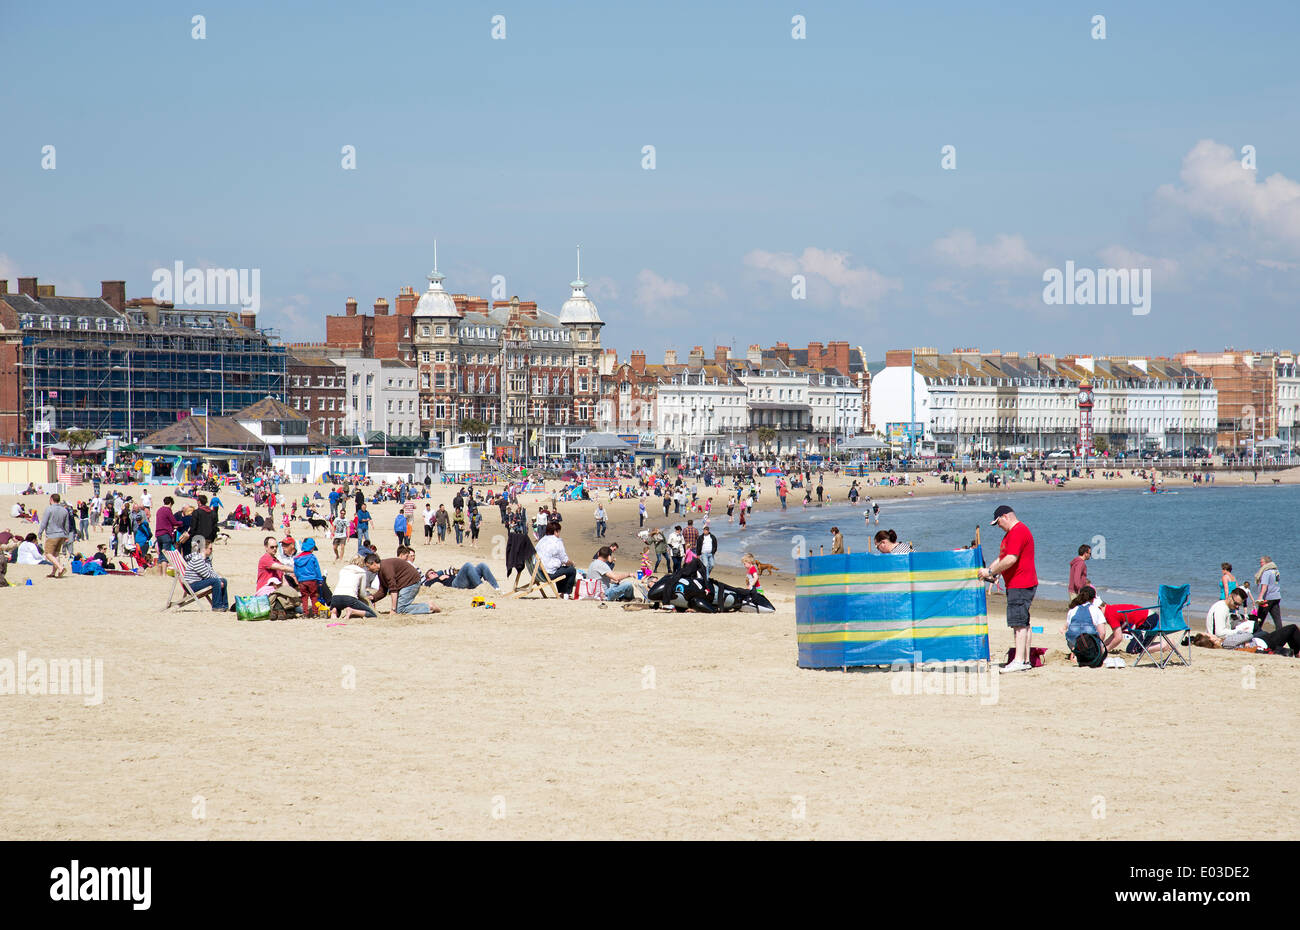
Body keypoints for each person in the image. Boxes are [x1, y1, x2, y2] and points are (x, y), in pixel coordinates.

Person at [979, 505, 1038, 673]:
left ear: (1005, 517)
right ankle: (1025, 660)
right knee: (1023, 622)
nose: (998, 526)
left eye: (998, 522)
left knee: (1018, 623)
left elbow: (1011, 558)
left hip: (1021, 583)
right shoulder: (1010, 534)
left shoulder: (1018, 531)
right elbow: (1002, 558)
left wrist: (990, 571)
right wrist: (991, 572)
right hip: (1018, 583)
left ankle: (1019, 660)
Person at [369, 548, 437, 614]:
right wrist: (373, 598)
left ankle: (429, 607)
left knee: (400, 609)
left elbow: (393, 590)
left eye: (368, 566)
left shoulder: (386, 568)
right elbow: (383, 589)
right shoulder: (381, 569)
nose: (368, 569)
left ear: (374, 564)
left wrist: (393, 609)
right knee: (400, 608)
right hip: (406, 583)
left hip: (411, 583)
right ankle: (427, 606)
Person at [1060, 586, 1122, 657]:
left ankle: (1075, 650)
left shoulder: (1072, 610)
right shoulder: (1097, 610)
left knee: (1073, 635)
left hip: (1073, 640)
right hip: (1088, 642)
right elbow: (1102, 633)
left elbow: (1069, 627)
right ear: (1093, 599)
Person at [183, 536, 230, 612]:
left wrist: (219, 579)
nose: (212, 550)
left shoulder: (206, 559)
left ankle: (224, 606)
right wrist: (218, 580)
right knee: (215, 581)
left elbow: (211, 572)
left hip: (198, 582)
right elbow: (207, 576)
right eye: (210, 548)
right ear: (204, 549)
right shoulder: (197, 559)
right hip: (191, 586)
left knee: (223, 580)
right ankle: (216, 606)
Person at [535, 521, 577, 595]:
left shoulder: (541, 540)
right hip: (548, 574)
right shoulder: (557, 542)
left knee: (560, 567)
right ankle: (566, 593)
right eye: (559, 532)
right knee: (571, 570)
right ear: (555, 532)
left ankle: (562, 592)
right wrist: (572, 563)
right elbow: (565, 560)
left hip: (538, 572)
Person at [37, 492, 73, 578]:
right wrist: (67, 535)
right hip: (62, 534)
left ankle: (60, 568)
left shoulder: (49, 509)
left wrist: (40, 532)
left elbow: (44, 522)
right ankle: (54, 573)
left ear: (51, 499)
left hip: (52, 534)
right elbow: (67, 524)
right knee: (56, 554)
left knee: (48, 553)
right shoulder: (64, 510)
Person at [293, 538, 325, 617]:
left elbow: (295, 570)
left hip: (301, 580)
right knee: (314, 596)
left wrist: (298, 579)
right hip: (312, 580)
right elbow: (317, 569)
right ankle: (315, 613)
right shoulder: (312, 557)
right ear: (312, 548)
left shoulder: (297, 559)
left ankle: (305, 613)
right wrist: (320, 580)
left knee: (304, 597)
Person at [423, 562, 502, 591]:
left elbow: (450, 570)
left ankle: (496, 588)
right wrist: (438, 578)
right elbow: (425, 585)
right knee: (467, 565)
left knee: (482, 565)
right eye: (431, 573)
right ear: (428, 578)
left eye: (434, 572)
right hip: (455, 584)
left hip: (462, 580)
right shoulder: (429, 582)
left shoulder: (441, 573)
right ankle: (481, 587)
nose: (434, 573)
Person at [1254, 556, 1282, 633]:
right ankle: (1280, 634)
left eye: (1261, 562)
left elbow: (1264, 586)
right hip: (1276, 597)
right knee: (1277, 619)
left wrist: (1260, 597)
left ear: (1267, 563)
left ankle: (1255, 634)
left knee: (1259, 618)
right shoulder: (1276, 571)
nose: (1260, 564)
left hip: (1267, 598)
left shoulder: (1266, 572)